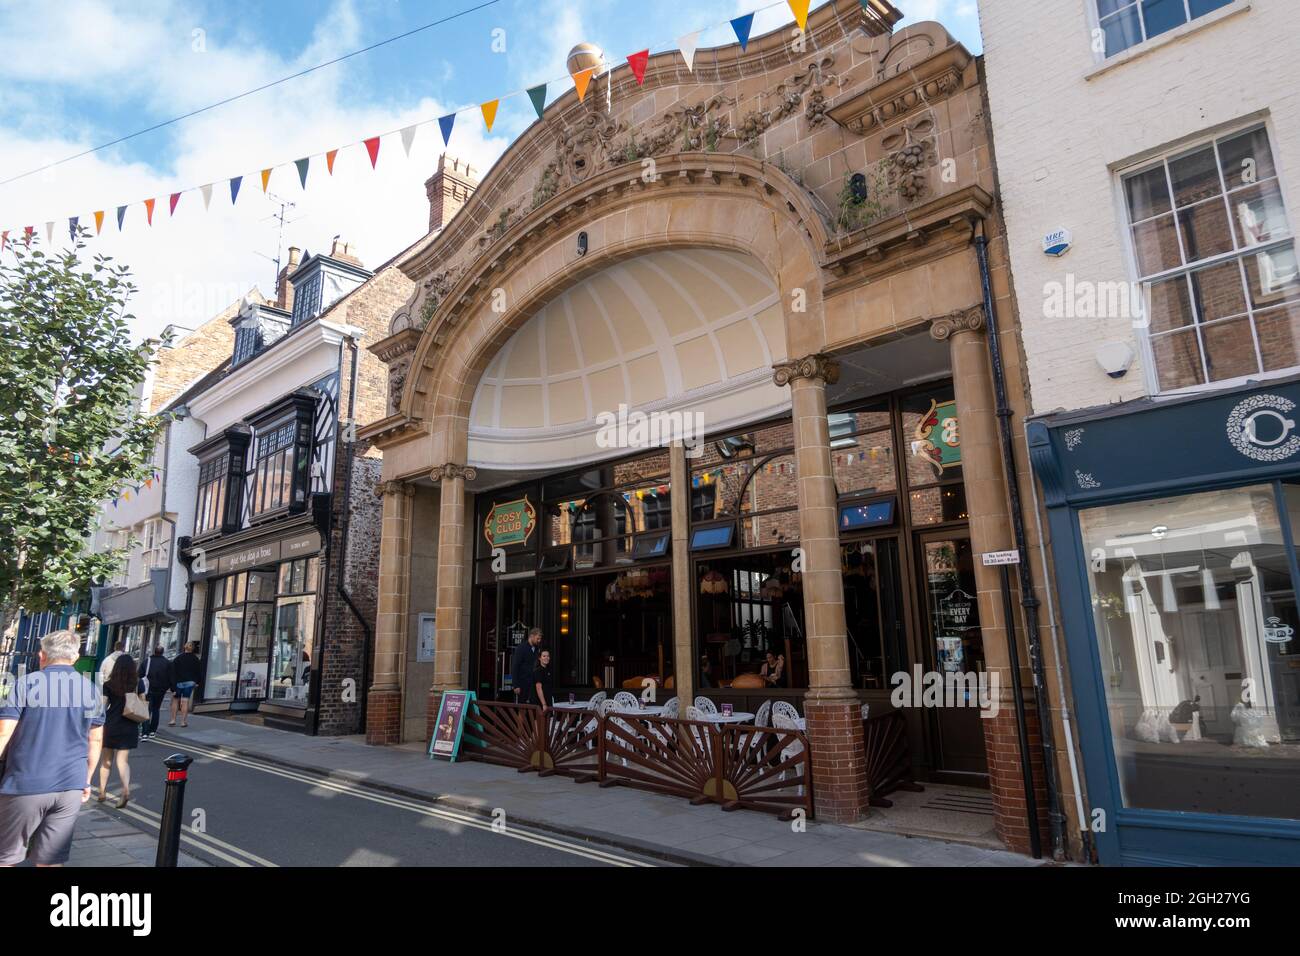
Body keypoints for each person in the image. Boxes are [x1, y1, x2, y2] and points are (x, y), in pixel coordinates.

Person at [0, 629, 105, 867]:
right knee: (50, 860)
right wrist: (86, 780)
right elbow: (95, 741)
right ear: (75, 657)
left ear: (42, 655)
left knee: (6, 858)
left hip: (24, 783)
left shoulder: (24, 684)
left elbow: (4, 732)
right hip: (70, 786)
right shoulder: (91, 690)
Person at [97, 655, 140, 808]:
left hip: (111, 724)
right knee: (123, 761)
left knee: (106, 761)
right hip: (129, 724)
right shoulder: (137, 684)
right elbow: (142, 703)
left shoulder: (108, 685)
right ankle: (126, 789)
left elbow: (102, 706)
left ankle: (102, 792)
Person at [139, 644, 173, 740]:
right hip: (161, 690)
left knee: (147, 710)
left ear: (154, 651)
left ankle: (144, 732)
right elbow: (171, 677)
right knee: (156, 709)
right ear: (162, 652)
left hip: (148, 689)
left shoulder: (147, 661)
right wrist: (168, 688)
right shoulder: (167, 663)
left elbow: (140, 674)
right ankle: (152, 731)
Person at [169, 642, 202, 728]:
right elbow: (199, 672)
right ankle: (183, 722)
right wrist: (197, 682)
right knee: (185, 701)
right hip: (190, 682)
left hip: (179, 682)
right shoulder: (196, 659)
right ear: (193, 649)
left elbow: (173, 672)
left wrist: (172, 686)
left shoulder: (178, 658)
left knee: (175, 700)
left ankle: (173, 720)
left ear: (184, 647)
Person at [510, 627, 542, 704]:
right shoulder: (521, 648)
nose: (539, 641)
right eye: (537, 638)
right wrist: (515, 685)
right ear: (531, 636)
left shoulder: (537, 648)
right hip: (522, 684)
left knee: (533, 707)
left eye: (540, 639)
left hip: (533, 684)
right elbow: (515, 666)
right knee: (522, 710)